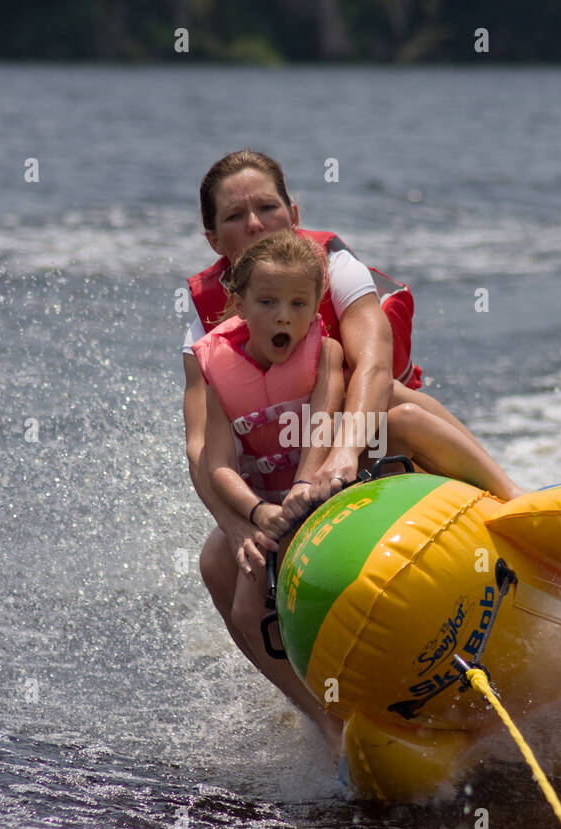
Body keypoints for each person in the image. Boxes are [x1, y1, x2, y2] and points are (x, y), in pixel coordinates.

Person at [182, 149, 506, 681]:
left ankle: (515, 509)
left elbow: (374, 363)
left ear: (293, 212)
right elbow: (200, 447)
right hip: (284, 484)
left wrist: (342, 455)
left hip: (372, 444)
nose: (256, 224)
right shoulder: (204, 328)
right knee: (217, 560)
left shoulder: (334, 266)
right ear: (215, 241)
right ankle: (327, 722)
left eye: (267, 207)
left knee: (398, 403)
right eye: (235, 217)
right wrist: (236, 524)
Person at [192, 230, 522, 750]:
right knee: (243, 609)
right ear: (239, 304)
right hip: (270, 508)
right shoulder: (214, 367)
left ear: (315, 307)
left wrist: (309, 483)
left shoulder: (322, 352)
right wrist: (255, 514)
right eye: (269, 303)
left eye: (299, 304)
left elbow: (323, 423)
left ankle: (515, 505)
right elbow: (215, 463)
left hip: (325, 478)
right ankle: (326, 718)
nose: (284, 317)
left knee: (404, 413)